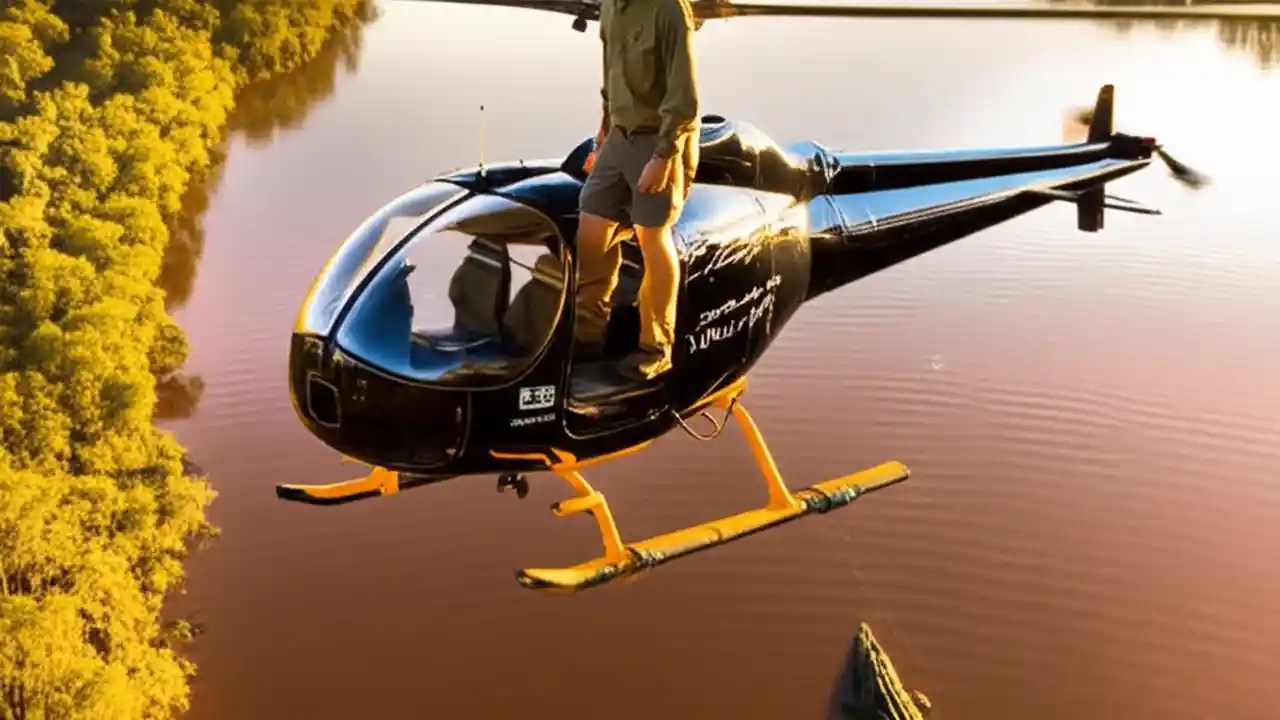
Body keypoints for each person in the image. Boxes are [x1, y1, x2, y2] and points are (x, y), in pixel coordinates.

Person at [574, 0, 700, 382]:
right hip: (618, 137)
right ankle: (587, 335)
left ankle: (655, 348)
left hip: (656, 139)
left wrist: (664, 157)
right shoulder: (610, 7)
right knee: (592, 227)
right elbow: (609, 74)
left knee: (652, 237)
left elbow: (684, 98)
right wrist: (603, 129)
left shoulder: (668, 10)